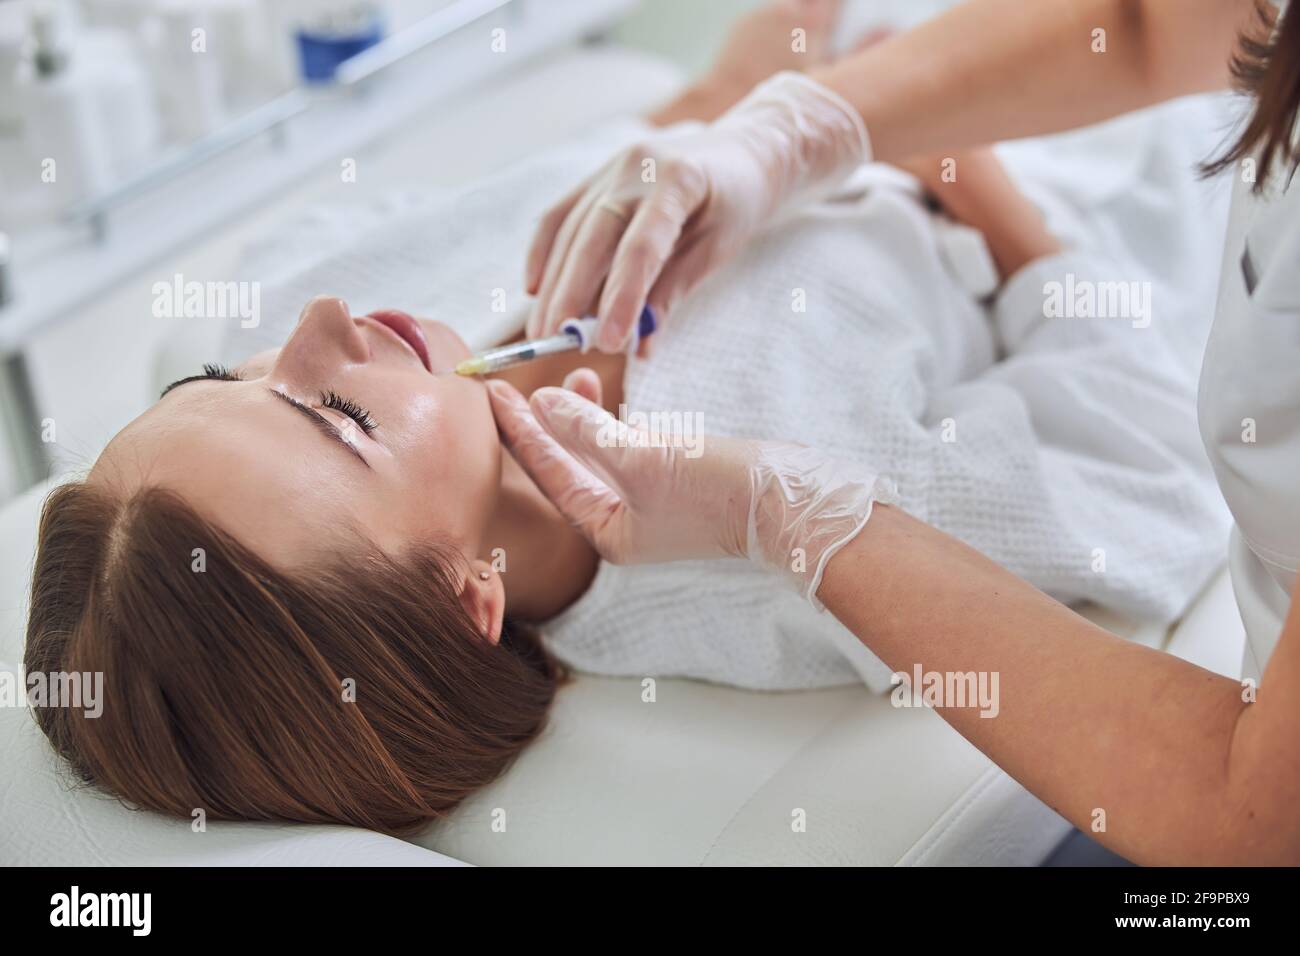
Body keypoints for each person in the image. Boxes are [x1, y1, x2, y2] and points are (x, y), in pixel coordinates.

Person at [21, 2, 1225, 836]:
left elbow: (330, 247)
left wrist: (748, 102)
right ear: (463, 593)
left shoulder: (335, 309)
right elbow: (1145, 477)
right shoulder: (779, 563)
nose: (322, 325)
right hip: (1119, 136)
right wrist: (975, 182)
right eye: (337, 417)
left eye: (224, 380)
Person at [503, 0, 1300, 864]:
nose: (380, 331)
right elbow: (1155, 26)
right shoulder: (692, 571)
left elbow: (1256, 821)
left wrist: (792, 514)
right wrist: (794, 126)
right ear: (473, 595)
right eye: (350, 411)